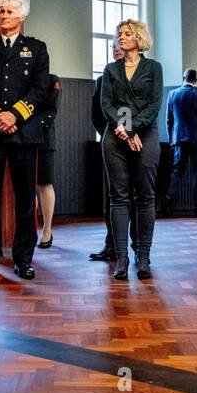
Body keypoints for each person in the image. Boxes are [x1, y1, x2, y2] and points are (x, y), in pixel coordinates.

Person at [0, 0, 50, 279]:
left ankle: (24, 259)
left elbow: (41, 90)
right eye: (1, 10)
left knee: (26, 200)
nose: (3, 15)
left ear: (21, 17)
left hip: (24, 134)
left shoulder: (37, 49)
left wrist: (14, 114)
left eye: (10, 11)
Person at [100, 19, 164, 280]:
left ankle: (143, 256)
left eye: (127, 34)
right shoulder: (110, 69)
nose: (121, 38)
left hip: (145, 136)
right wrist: (125, 130)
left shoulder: (154, 67)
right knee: (119, 197)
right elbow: (106, 102)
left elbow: (155, 103)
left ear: (139, 38)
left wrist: (133, 129)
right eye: (119, 34)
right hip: (115, 138)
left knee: (146, 197)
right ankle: (121, 258)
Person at [162, 68, 197, 216]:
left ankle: (166, 202)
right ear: (195, 80)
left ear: (183, 78)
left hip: (178, 139)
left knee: (176, 171)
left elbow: (169, 120)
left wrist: (171, 140)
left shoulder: (172, 94)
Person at [89, 41, 125, 262]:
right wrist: (111, 134)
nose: (116, 50)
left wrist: (128, 132)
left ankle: (136, 248)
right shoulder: (102, 80)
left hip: (136, 141)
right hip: (111, 143)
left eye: (120, 46)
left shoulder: (141, 77)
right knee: (111, 198)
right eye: (113, 47)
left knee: (136, 199)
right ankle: (111, 245)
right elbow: (96, 113)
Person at [36, 73, 62, 248]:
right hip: (21, 139)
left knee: (45, 184)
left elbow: (51, 111)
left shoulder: (52, 80)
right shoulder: (23, 77)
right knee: (26, 188)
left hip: (45, 140)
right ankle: (29, 230)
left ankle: (47, 230)